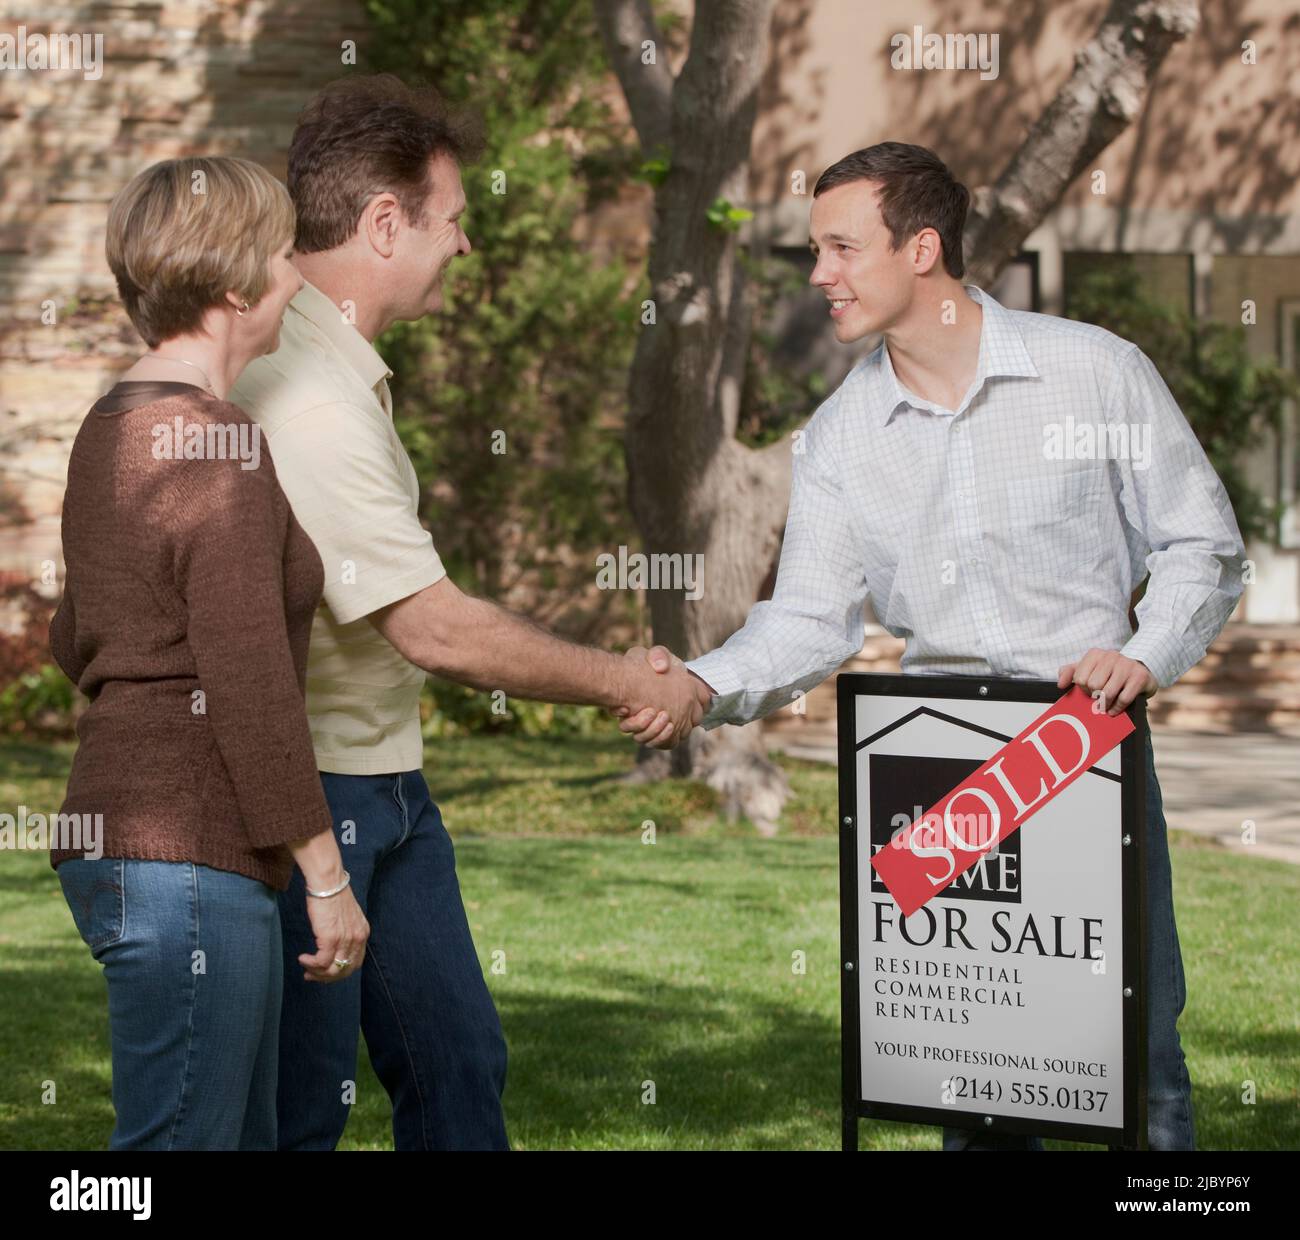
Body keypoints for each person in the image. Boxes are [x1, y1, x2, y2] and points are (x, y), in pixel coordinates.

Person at [623, 142, 1246, 1152]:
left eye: (839, 247)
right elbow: (808, 618)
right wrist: (703, 682)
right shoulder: (837, 437)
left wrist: (1144, 653)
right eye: (814, 248)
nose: (818, 273)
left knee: (1136, 1068)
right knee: (979, 1082)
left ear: (922, 248)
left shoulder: (1092, 372)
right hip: (937, 771)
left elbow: (1199, 546)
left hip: (1079, 742)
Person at [229, 74, 708, 1151]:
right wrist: (631, 682)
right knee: (303, 1108)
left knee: (457, 1068)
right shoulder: (302, 393)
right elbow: (432, 628)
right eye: (452, 221)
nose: (464, 246)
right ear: (384, 224)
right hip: (316, 801)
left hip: (389, 788)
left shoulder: (329, 367)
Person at [49, 156, 369, 1150]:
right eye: (281, 255)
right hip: (183, 853)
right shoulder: (217, 445)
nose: (296, 276)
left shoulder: (113, 425)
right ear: (236, 285)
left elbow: (77, 635)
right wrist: (326, 874)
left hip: (135, 842)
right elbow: (250, 684)